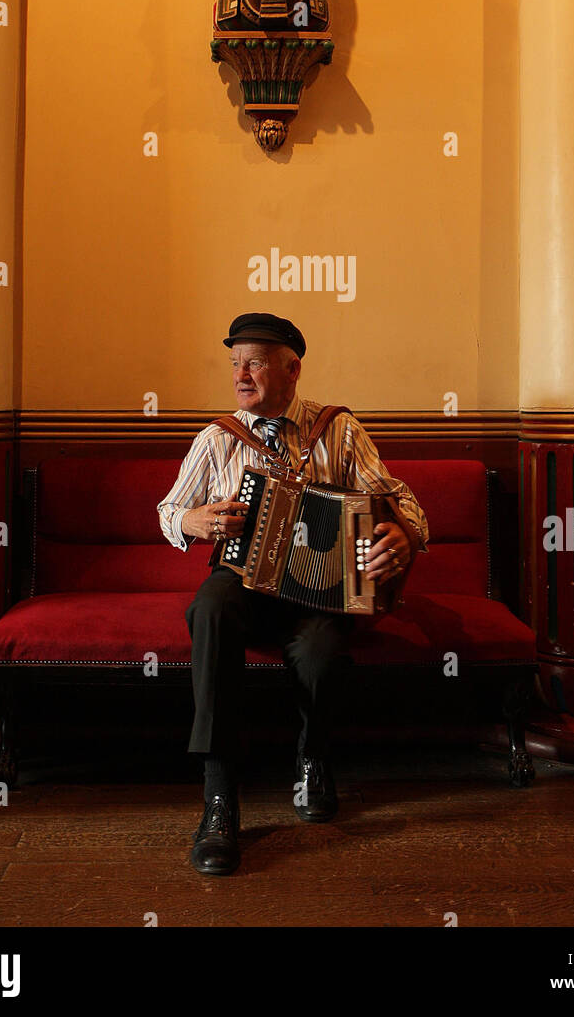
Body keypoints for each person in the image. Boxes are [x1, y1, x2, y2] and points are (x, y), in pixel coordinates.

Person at [158, 312, 429, 876]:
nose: (240, 375)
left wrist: (404, 533)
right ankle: (218, 796)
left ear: (291, 369)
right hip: (243, 585)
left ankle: (313, 758)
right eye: (235, 363)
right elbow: (167, 512)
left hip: (320, 594)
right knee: (209, 605)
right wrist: (195, 519)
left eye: (254, 362)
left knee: (323, 651)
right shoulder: (216, 439)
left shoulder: (340, 429)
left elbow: (401, 499)